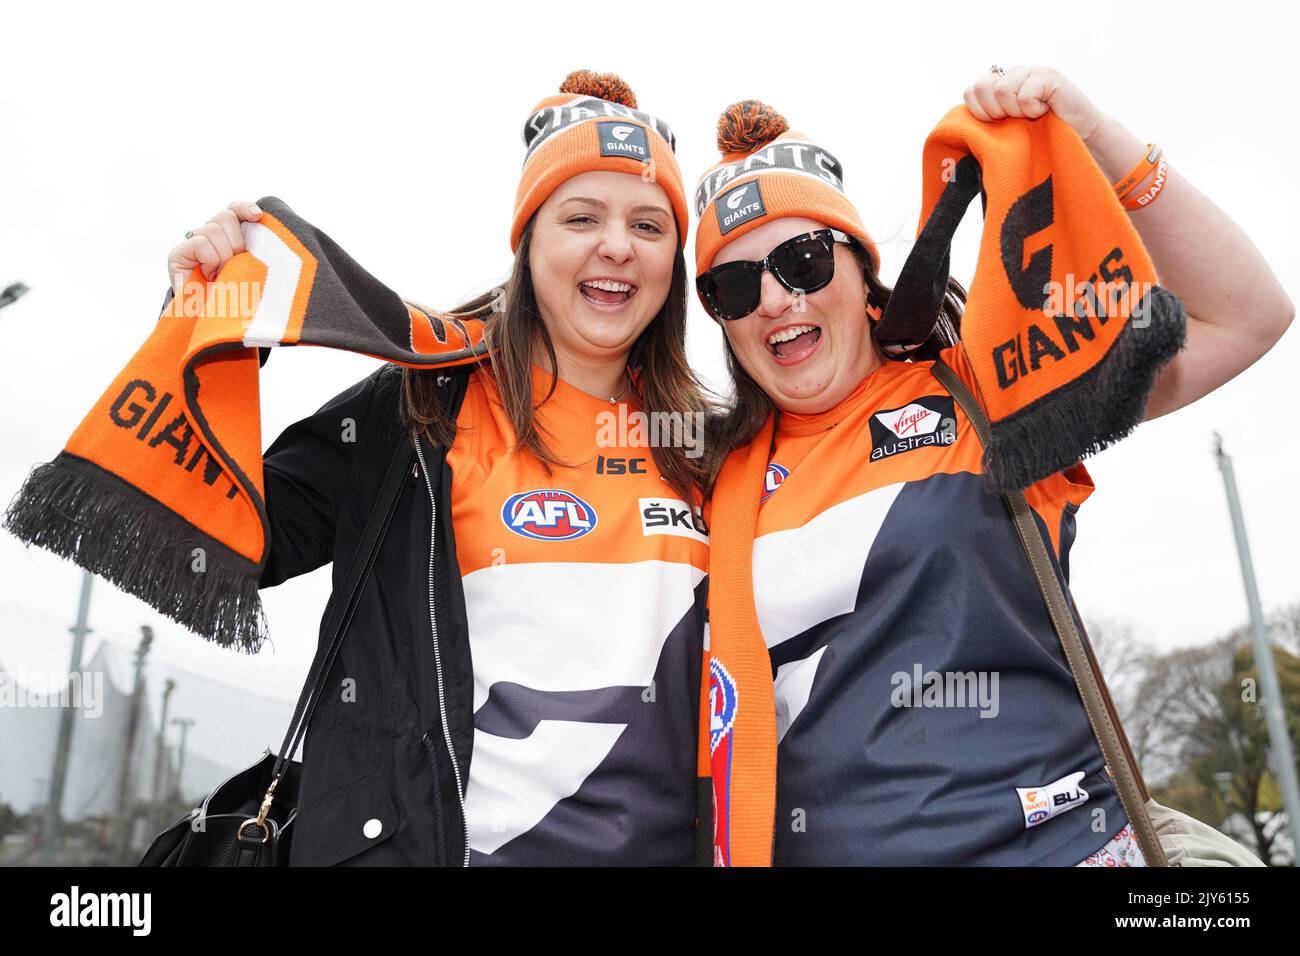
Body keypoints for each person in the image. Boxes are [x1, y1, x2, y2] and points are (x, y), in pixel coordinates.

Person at [694, 65, 1292, 866]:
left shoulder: (987, 387)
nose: (774, 299)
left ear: (861, 268)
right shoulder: (701, 481)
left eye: (802, 261)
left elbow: (1247, 316)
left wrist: (1099, 137)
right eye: (733, 285)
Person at [166, 70, 712, 865]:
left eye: (650, 224)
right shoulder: (415, 410)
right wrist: (209, 347)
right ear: (527, 242)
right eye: (581, 217)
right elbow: (230, 541)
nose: (617, 246)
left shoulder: (709, 447)